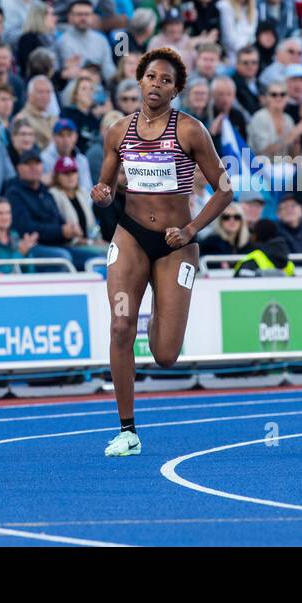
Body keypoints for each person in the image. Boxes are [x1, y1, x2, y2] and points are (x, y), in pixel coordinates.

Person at [92, 47, 233, 456]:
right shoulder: (117, 131)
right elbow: (106, 190)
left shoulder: (190, 131)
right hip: (131, 236)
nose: (157, 84)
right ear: (140, 81)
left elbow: (225, 190)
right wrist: (101, 195)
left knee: (166, 354)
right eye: (151, 77)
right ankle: (127, 431)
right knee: (121, 327)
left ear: (176, 90)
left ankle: (158, 308)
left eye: (166, 80)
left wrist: (190, 230)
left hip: (176, 244)